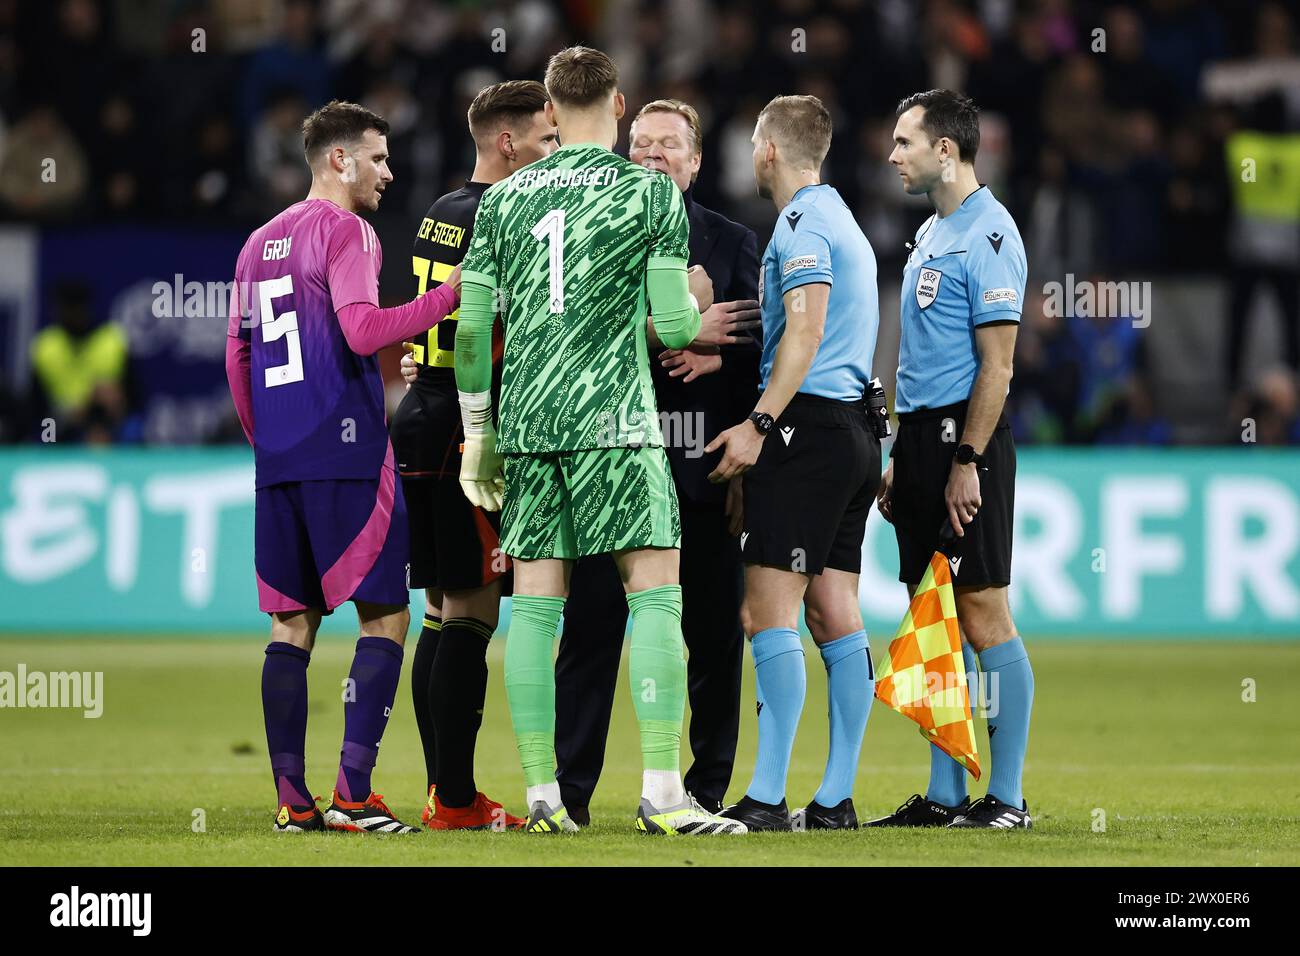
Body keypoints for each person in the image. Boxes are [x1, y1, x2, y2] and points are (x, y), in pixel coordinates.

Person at [454, 46, 745, 835]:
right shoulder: (648, 191)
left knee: (538, 612)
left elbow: (474, 330)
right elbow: (679, 328)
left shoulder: (505, 202)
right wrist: (693, 295)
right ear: (619, 108)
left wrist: (478, 434)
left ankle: (545, 798)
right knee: (654, 591)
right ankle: (660, 791)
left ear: (549, 112)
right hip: (616, 422)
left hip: (529, 427)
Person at [225, 100, 460, 834]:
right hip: (348, 454)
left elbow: (237, 357)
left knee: (289, 628)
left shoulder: (257, 241)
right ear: (339, 160)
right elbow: (362, 333)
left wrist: (270, 438)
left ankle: (294, 803)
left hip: (280, 461)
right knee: (386, 621)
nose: (389, 172)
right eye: (379, 158)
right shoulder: (348, 230)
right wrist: (452, 296)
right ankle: (353, 794)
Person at [553, 98, 761, 822]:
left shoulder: (732, 242)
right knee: (590, 635)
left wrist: (718, 351)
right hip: (609, 470)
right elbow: (572, 340)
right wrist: (677, 328)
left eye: (668, 144)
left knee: (711, 637)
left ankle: (703, 791)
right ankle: (570, 795)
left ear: (696, 160)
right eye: (639, 142)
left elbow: (772, 336)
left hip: (703, 472)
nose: (650, 153)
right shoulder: (594, 235)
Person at [710, 95, 882, 832]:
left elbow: (805, 334)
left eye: (753, 142)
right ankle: (836, 798)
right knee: (834, 610)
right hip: (851, 431)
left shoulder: (804, 222)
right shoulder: (848, 222)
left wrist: (758, 424)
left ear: (769, 150)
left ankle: (767, 796)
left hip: (803, 429)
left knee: (765, 612)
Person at [391, 80, 557, 831]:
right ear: (508, 143)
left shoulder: (439, 211)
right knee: (472, 611)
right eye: (547, 141)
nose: (555, 153)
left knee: (438, 609)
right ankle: (455, 799)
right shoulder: (504, 215)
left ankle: (443, 790)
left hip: (419, 415)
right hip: (465, 426)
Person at [872, 89, 1034, 829]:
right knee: (933, 614)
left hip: (968, 443)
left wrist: (967, 459)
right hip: (922, 441)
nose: (893, 154)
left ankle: (1007, 798)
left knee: (982, 612)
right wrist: (905, 450)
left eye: (905, 141)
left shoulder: (990, 234)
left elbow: (995, 368)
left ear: (946, 149)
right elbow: (922, 359)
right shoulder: (934, 232)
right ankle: (944, 795)